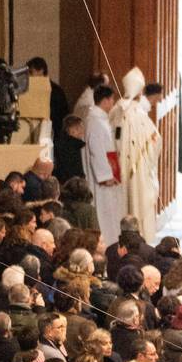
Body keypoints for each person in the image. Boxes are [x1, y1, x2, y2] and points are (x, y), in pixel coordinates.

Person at [109, 68, 160, 244]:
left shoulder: (116, 109)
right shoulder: (137, 113)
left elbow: (113, 138)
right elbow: (154, 139)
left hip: (120, 165)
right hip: (138, 171)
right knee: (139, 202)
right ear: (139, 90)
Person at [84, 84, 123, 247]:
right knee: (104, 212)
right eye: (112, 99)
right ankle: (106, 245)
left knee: (110, 212)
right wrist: (106, 176)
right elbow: (97, 151)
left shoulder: (99, 119)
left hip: (108, 170)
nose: (113, 102)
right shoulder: (95, 121)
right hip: (101, 178)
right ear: (106, 100)